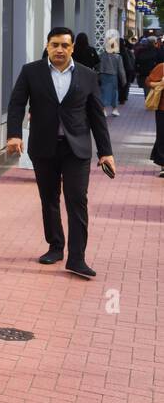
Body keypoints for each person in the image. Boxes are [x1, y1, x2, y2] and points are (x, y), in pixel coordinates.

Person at [7, 27, 115, 279]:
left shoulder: (87, 75)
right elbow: (16, 104)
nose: (59, 49)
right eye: (54, 44)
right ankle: (56, 246)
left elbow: (97, 116)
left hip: (76, 148)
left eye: (65, 45)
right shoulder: (31, 71)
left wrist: (106, 152)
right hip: (43, 146)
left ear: (72, 48)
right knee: (49, 198)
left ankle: (77, 258)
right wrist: (14, 134)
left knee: (77, 199)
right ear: (47, 46)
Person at [98, 35, 126, 117]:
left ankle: (103, 109)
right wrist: (124, 80)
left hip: (102, 76)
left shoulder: (101, 56)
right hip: (113, 76)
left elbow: (97, 67)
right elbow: (121, 70)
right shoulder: (118, 57)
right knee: (114, 93)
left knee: (103, 92)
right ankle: (114, 109)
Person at [149, 59, 164, 179]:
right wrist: (160, 84)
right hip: (162, 108)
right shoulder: (162, 67)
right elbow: (149, 81)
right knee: (162, 135)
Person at [120, 35, 137, 106]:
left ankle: (121, 97)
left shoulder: (116, 52)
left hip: (122, 70)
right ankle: (124, 97)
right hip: (128, 70)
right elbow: (133, 60)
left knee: (121, 84)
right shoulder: (128, 51)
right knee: (126, 84)